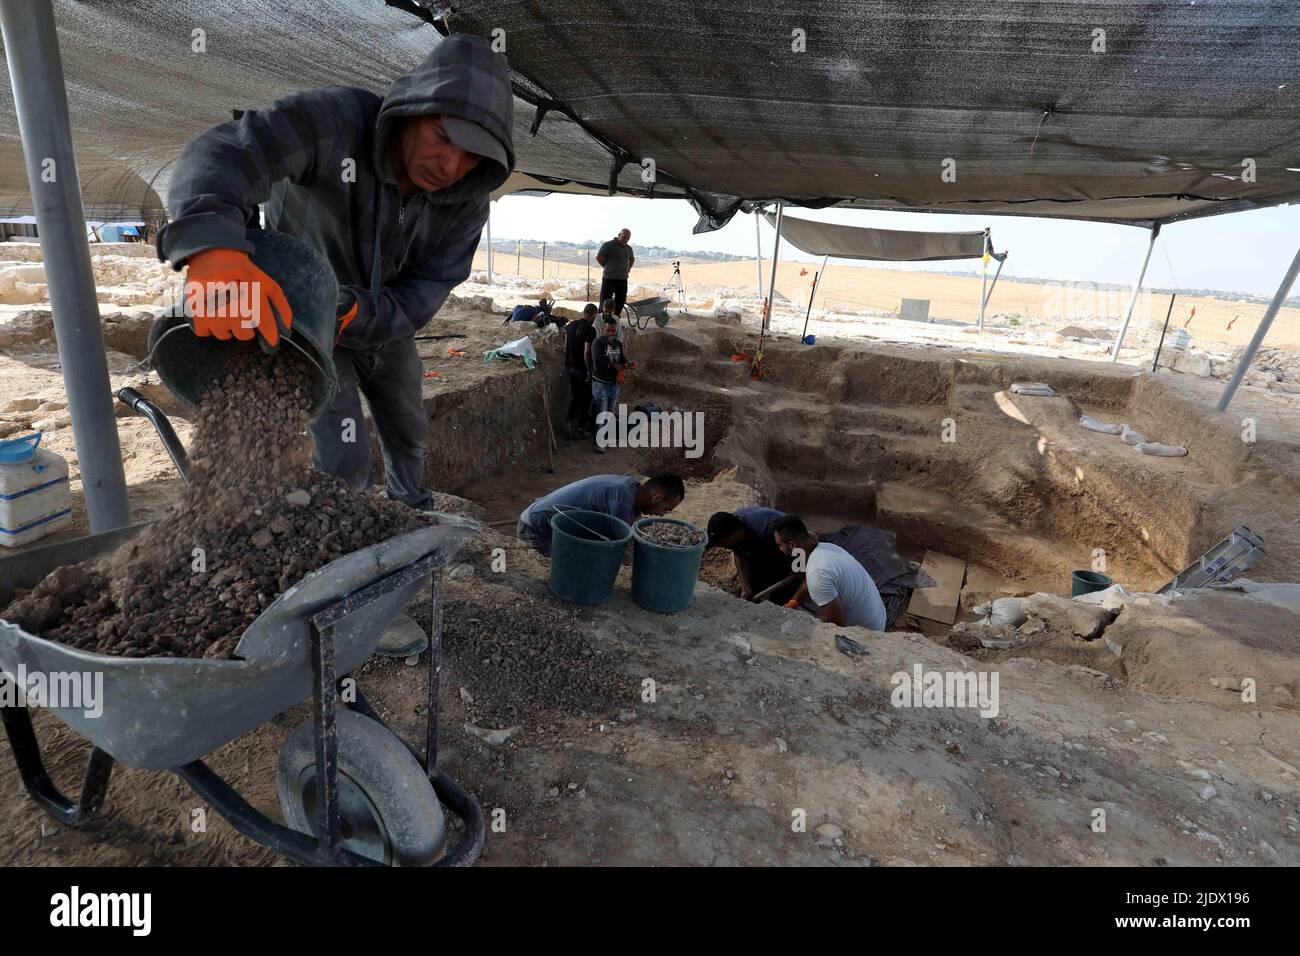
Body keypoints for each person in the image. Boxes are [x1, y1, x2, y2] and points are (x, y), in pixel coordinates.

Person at [156, 35, 514, 513]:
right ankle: (346, 536)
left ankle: (412, 507)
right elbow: (227, 153)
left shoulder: (466, 203)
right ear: (411, 111)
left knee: (409, 430)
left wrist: (359, 311)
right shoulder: (337, 123)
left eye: (472, 156)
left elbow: (428, 287)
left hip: (384, 327)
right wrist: (213, 251)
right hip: (303, 326)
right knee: (342, 461)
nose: (451, 165)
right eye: (444, 137)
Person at [516, 473, 685, 556]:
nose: (661, 515)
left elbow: (633, 526)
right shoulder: (621, 496)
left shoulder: (632, 490)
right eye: (665, 509)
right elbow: (619, 542)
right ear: (657, 497)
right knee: (586, 562)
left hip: (548, 525)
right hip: (536, 529)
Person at [771, 515, 887, 631]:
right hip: (878, 617)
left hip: (868, 633)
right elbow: (808, 577)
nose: (780, 549)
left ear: (792, 545)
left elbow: (835, 625)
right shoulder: (826, 548)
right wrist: (794, 602)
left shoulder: (818, 573)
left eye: (780, 545)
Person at [706, 506, 794, 603]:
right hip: (764, 549)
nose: (721, 547)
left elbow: (803, 537)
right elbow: (739, 555)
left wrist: (801, 564)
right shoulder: (732, 527)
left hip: (789, 551)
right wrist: (745, 587)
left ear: (734, 536)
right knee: (750, 591)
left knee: (780, 600)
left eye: (722, 543)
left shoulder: (767, 529)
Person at [587, 313, 628, 453]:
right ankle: (599, 442)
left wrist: (627, 365)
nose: (611, 332)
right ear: (603, 329)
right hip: (601, 384)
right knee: (601, 413)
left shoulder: (618, 344)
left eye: (613, 330)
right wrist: (616, 366)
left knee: (609, 413)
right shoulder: (598, 343)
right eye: (608, 330)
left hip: (614, 384)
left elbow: (622, 359)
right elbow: (599, 362)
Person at [564, 304, 599, 438]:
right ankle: (579, 429)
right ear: (593, 315)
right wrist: (590, 371)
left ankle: (569, 421)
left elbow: (565, 346)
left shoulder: (571, 325)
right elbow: (587, 352)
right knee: (586, 399)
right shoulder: (590, 330)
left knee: (576, 396)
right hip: (582, 369)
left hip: (571, 367)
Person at [596, 228, 634, 313]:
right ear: (619, 235)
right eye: (624, 237)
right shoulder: (608, 245)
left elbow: (632, 259)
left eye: (628, 238)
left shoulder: (628, 249)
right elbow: (599, 257)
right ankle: (601, 320)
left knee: (621, 300)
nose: (626, 240)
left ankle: (615, 319)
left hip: (622, 279)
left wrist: (628, 270)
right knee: (605, 300)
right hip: (609, 278)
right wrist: (606, 267)